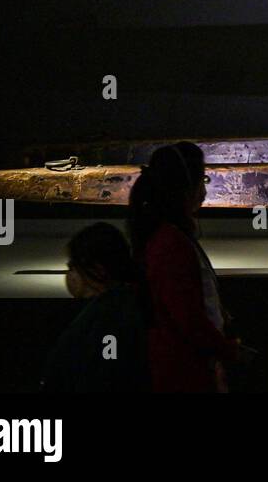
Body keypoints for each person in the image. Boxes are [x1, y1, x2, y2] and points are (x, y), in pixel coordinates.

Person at [128, 142, 248, 392]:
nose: (204, 189)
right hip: (185, 373)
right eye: (202, 179)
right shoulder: (170, 243)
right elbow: (188, 319)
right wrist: (226, 349)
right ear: (187, 188)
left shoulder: (170, 238)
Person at [41, 222, 149, 392]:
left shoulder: (111, 315)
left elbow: (108, 369)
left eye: (73, 267)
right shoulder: (118, 307)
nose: (70, 275)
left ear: (97, 269)